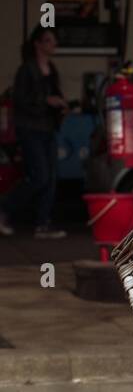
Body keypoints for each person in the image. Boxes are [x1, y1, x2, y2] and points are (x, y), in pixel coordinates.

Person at [0, 28, 67, 239]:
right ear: (38, 44)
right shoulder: (26, 70)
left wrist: (61, 105)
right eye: (48, 41)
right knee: (40, 176)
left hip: (48, 127)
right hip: (30, 128)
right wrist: (46, 101)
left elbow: (55, 94)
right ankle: (4, 207)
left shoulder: (52, 69)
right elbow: (20, 101)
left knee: (51, 177)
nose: (53, 45)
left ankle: (43, 223)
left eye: (53, 41)